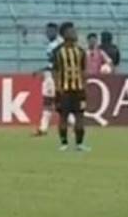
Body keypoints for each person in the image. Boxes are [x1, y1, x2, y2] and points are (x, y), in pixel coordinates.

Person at [52, 23, 88, 152]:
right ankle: (64, 143)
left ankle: (79, 144)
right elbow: (55, 71)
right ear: (65, 34)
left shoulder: (81, 51)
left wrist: (84, 87)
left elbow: (83, 71)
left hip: (78, 90)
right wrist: (57, 88)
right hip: (64, 90)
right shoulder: (58, 52)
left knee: (80, 116)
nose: (75, 33)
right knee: (63, 116)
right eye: (72, 31)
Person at [32, 65, 56, 137]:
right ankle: (43, 129)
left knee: (48, 111)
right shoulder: (47, 79)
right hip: (49, 94)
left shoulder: (48, 79)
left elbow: (46, 69)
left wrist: (37, 72)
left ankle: (43, 129)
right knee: (47, 112)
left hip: (49, 94)